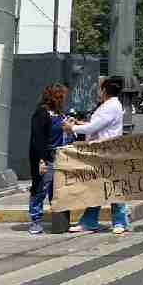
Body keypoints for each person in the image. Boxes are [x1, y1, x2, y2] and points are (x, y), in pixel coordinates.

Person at [64, 76, 129, 234]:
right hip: (99, 152)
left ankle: (120, 221)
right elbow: (97, 126)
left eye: (100, 88)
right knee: (96, 187)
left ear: (105, 90)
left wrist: (72, 128)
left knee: (112, 186)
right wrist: (79, 124)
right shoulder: (107, 105)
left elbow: (94, 127)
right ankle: (90, 221)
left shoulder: (111, 106)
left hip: (108, 152)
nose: (97, 91)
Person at [28, 84, 68, 235]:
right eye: (60, 96)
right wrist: (41, 160)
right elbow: (37, 139)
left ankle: (58, 220)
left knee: (55, 189)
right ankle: (35, 220)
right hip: (46, 157)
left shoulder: (58, 113)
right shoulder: (42, 113)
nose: (62, 99)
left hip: (58, 157)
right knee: (40, 189)